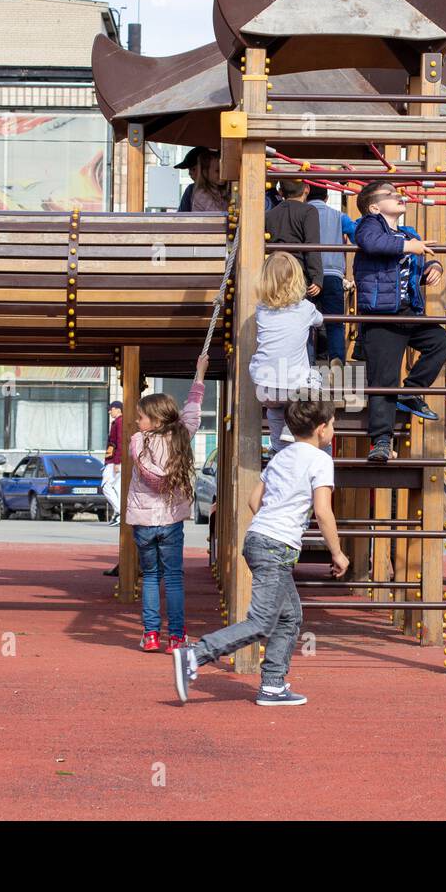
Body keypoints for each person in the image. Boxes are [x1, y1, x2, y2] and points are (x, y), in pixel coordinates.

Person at [171, 399, 348, 706]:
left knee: (289, 618)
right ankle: (196, 653)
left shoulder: (281, 456)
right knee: (262, 621)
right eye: (332, 425)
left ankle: (273, 686)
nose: (333, 430)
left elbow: (255, 501)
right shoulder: (320, 460)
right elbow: (323, 510)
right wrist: (338, 553)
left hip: (259, 538)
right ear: (321, 429)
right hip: (276, 546)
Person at [351, 180, 446, 464]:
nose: (399, 196)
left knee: (441, 341)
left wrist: (433, 266)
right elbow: (373, 244)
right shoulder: (369, 226)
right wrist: (410, 247)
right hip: (381, 315)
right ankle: (381, 440)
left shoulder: (408, 233)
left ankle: (410, 391)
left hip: (407, 310)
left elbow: (416, 261)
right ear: (374, 207)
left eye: (398, 192)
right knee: (384, 378)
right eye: (390, 194)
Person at [126, 354, 209, 652]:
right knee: (173, 578)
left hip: (144, 522)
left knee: (150, 577)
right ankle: (176, 637)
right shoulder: (181, 437)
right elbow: (193, 407)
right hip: (171, 521)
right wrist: (200, 373)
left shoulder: (139, 441)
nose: (137, 421)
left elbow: (149, 472)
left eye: (141, 416)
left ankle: (150, 635)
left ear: (155, 420)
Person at [249, 252, 325, 452]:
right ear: (298, 280)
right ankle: (289, 428)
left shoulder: (261, 310)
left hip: (263, 385)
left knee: (275, 408)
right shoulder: (306, 308)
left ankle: (277, 446)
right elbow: (320, 320)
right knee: (315, 379)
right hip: (293, 388)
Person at [306, 184, 350, 366]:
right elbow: (357, 234)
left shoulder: (304, 213)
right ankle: (336, 359)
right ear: (326, 197)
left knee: (305, 321)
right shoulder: (339, 216)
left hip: (308, 274)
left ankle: (307, 363)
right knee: (335, 322)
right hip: (333, 274)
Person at [264, 179, 324, 300]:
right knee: (298, 309)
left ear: (280, 192)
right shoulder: (309, 211)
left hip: (275, 268)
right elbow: (311, 245)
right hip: (298, 270)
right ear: (307, 189)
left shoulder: (269, 215)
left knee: (277, 306)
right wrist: (316, 276)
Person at [181, 149, 228, 213]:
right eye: (218, 171)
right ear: (205, 172)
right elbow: (218, 215)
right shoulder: (202, 194)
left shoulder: (220, 190)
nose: (222, 174)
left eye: (224, 170)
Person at [103, 401, 123, 526]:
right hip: (114, 460)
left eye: (111, 409)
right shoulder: (118, 422)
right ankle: (119, 514)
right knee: (117, 488)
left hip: (114, 461)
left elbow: (119, 442)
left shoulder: (119, 422)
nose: (109, 411)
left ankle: (119, 511)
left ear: (118, 409)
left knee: (106, 485)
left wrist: (117, 461)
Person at [175, 147, 207, 212]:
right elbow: (181, 217)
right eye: (189, 170)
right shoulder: (191, 190)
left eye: (193, 169)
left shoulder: (226, 189)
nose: (189, 173)